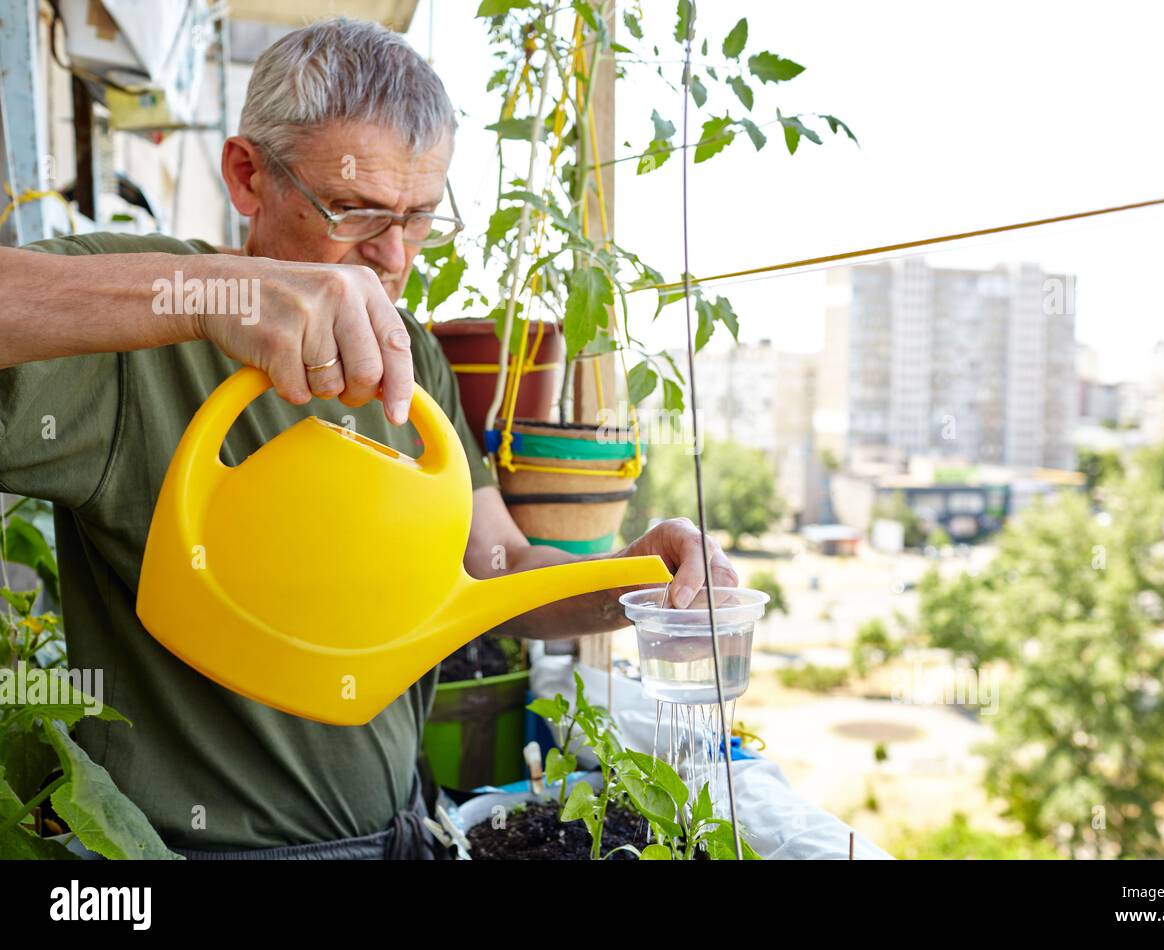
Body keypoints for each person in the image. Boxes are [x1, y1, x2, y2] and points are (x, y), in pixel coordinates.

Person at [0, 17, 736, 858]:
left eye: (420, 219)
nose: (393, 258)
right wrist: (210, 295)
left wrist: (641, 579)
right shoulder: (141, 331)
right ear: (247, 176)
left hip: (399, 836)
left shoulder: (410, 354)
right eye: (355, 211)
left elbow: (495, 573)